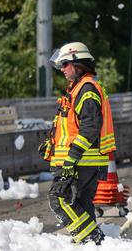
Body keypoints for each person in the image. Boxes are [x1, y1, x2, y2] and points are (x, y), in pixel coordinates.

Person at [41, 42, 115, 244]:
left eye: (65, 64)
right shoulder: (77, 89)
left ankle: (92, 239)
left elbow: (90, 128)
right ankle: (92, 245)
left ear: (78, 64)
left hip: (80, 162)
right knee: (80, 204)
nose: (62, 69)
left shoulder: (86, 90)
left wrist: (71, 158)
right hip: (81, 162)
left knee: (59, 198)